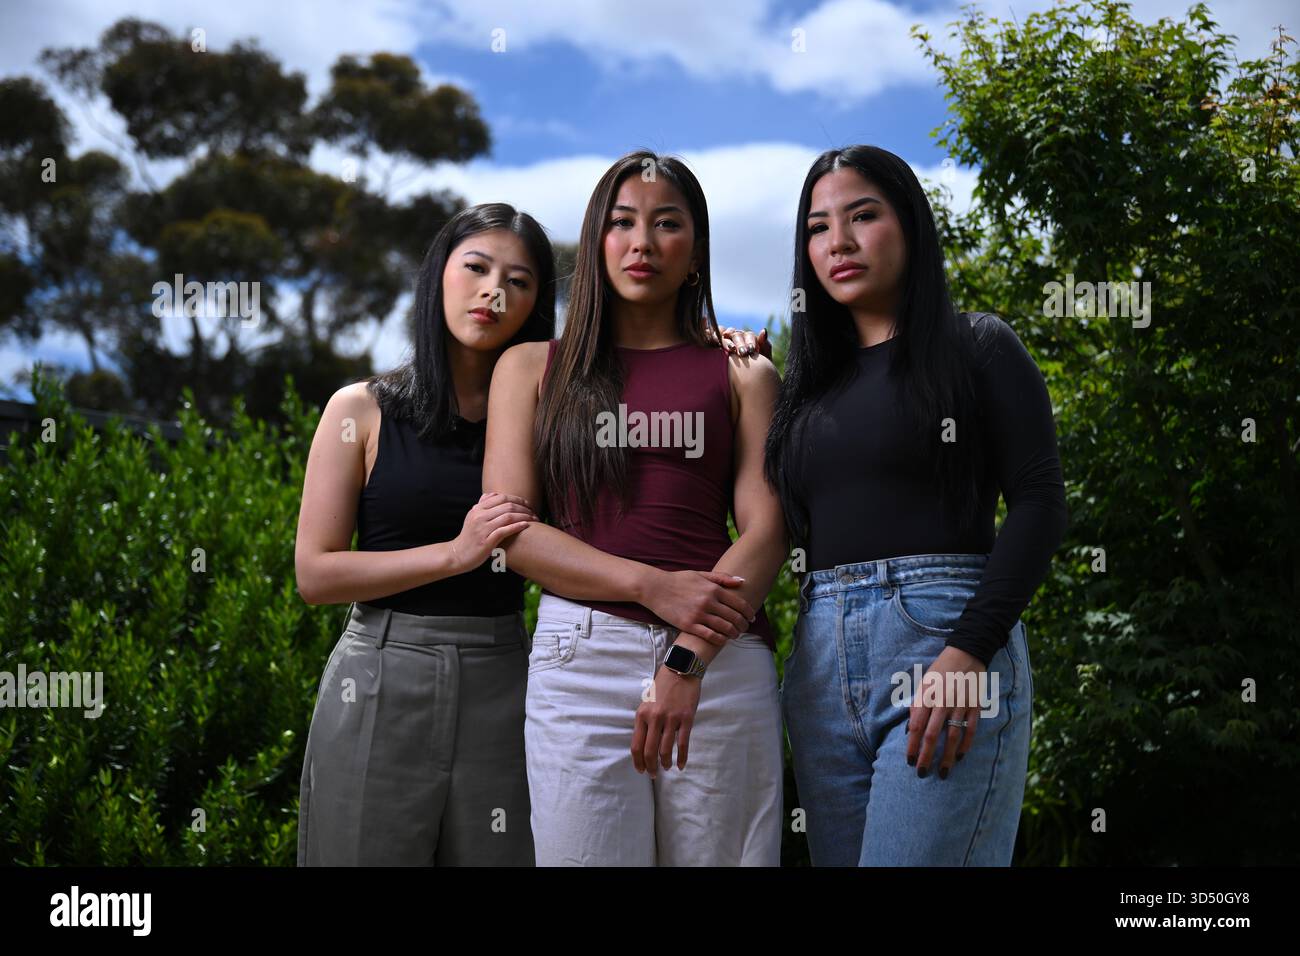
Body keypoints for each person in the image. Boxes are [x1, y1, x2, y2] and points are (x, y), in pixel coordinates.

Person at [764, 145, 1068, 866]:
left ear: (911, 225)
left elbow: (1039, 501)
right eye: (817, 227)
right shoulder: (803, 391)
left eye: (863, 215)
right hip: (818, 663)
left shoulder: (978, 347)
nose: (837, 242)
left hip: (943, 639)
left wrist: (968, 650)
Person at [483, 150, 788, 865]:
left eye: (666, 224)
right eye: (622, 223)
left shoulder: (744, 371)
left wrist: (685, 663)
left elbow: (770, 531)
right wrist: (653, 586)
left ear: (697, 253)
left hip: (719, 659)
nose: (642, 242)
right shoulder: (530, 369)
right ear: (596, 242)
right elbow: (511, 534)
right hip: (578, 659)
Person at [294, 203, 555, 865]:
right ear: (439, 274)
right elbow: (316, 574)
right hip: (381, 673)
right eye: (476, 267)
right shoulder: (360, 409)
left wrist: (726, 351)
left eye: (519, 281)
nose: (494, 291)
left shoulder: (549, 422)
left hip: (507, 677)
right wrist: (456, 553)